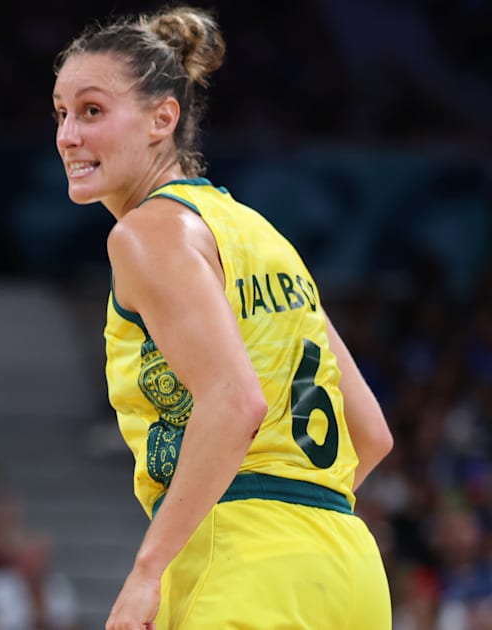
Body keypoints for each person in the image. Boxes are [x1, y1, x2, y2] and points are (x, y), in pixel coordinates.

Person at [50, 7, 395, 629]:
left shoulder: (147, 232)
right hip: (347, 565)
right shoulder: (261, 236)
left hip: (240, 558)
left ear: (164, 118)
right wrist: (296, 527)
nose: (69, 135)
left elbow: (235, 402)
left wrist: (148, 570)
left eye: (92, 111)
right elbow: (370, 433)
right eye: (62, 113)